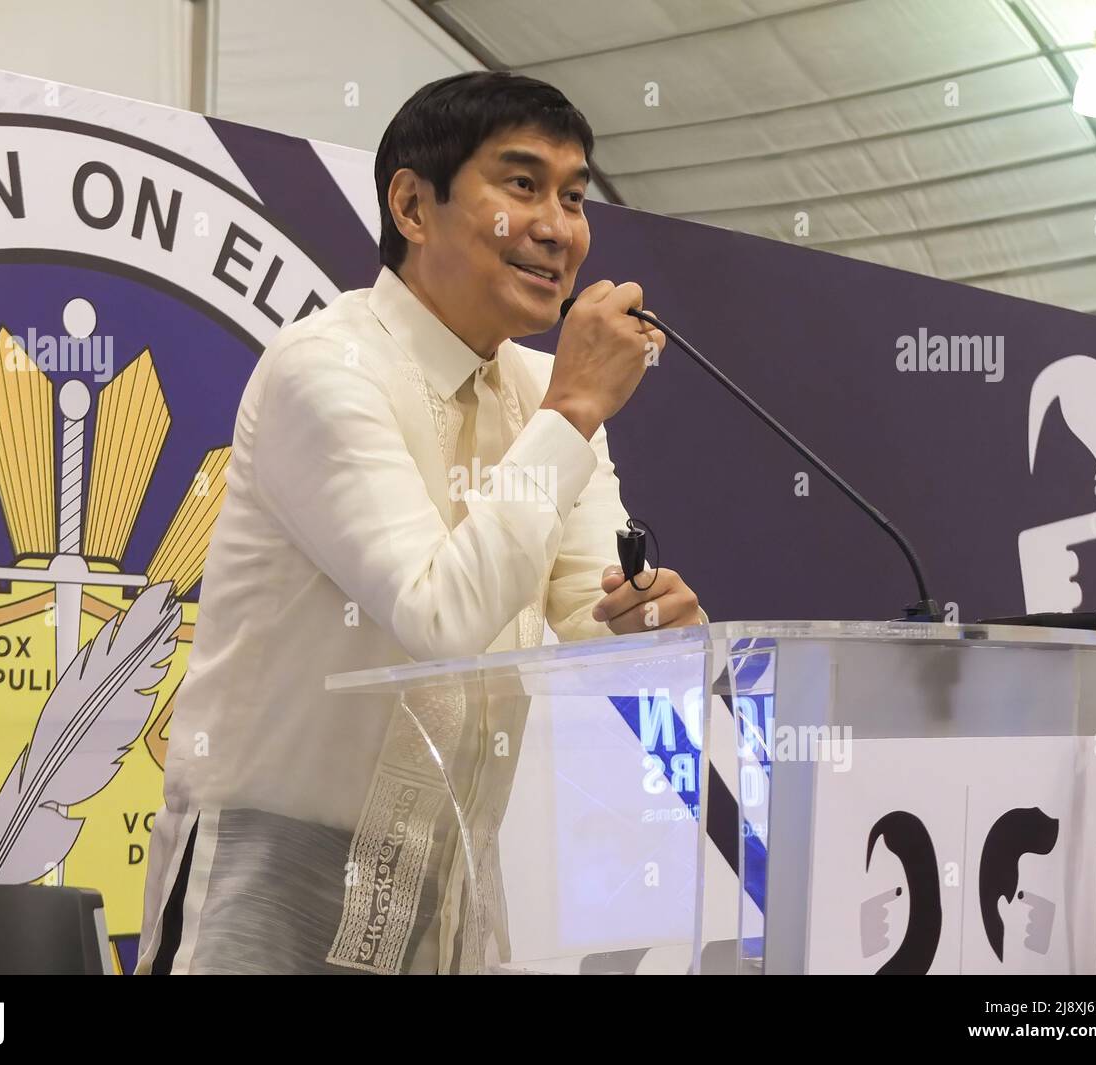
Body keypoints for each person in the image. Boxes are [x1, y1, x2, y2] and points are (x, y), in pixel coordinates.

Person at [136, 70, 704, 974]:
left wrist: (650, 621)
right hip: (278, 870)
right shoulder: (325, 369)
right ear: (412, 203)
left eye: (574, 195)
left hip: (455, 874)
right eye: (523, 186)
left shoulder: (545, 397)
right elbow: (437, 617)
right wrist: (573, 411)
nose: (560, 227)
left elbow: (590, 612)